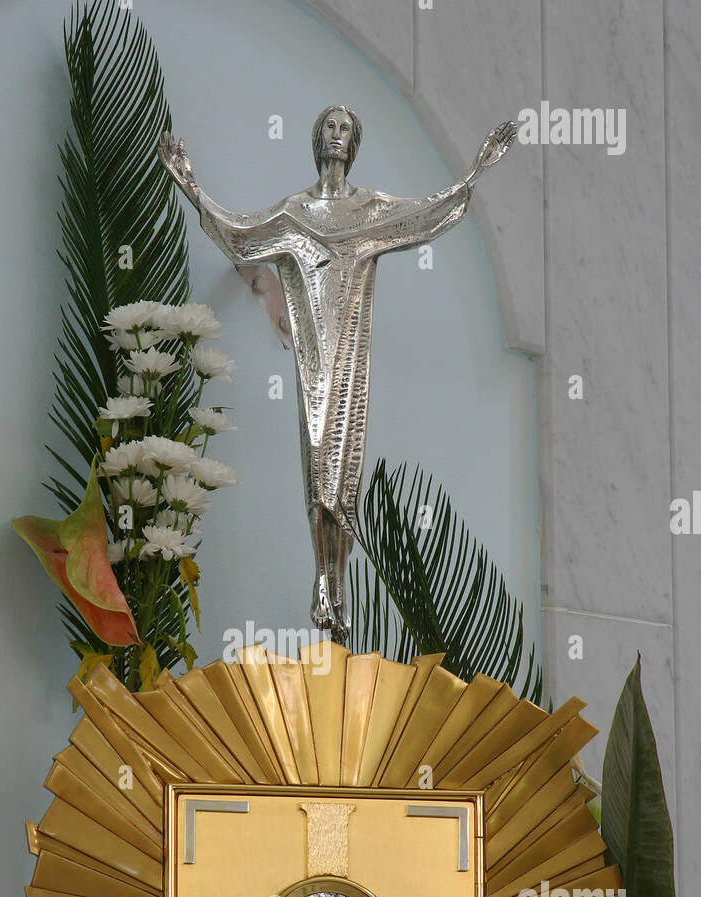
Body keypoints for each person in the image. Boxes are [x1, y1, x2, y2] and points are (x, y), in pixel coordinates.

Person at [159, 107, 516, 642]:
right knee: (318, 464)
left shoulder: (371, 212)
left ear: (354, 144)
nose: (336, 135)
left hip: (349, 363)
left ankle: (333, 583)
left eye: (345, 129)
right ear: (315, 140)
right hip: (314, 364)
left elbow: (425, 215)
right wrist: (190, 186)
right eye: (329, 126)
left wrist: (474, 175)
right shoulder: (295, 214)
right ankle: (326, 578)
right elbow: (239, 236)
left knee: (341, 470)